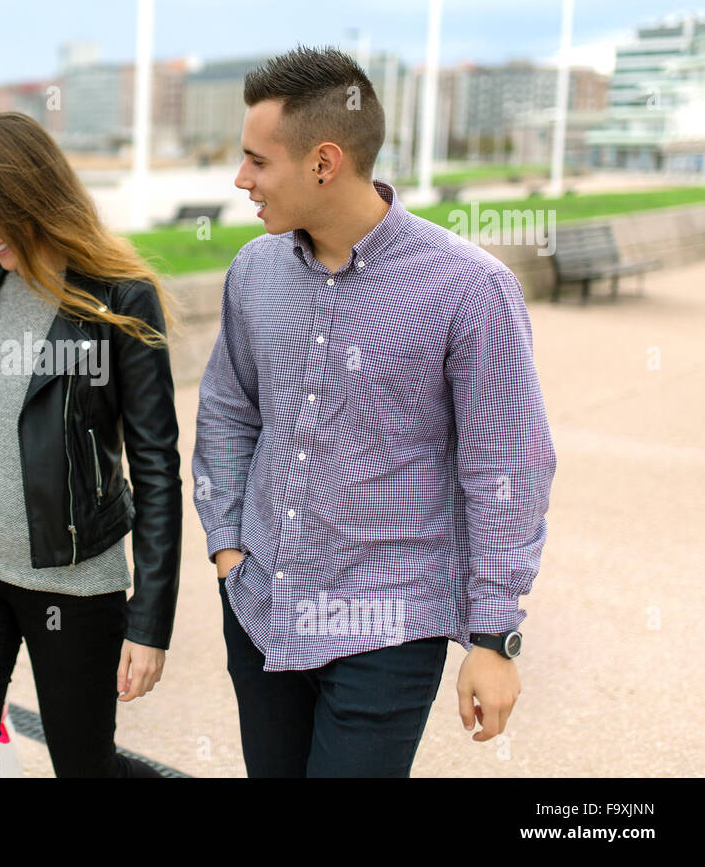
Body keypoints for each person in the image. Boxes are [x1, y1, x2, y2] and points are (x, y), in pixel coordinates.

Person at [193, 46, 557, 777]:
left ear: (324, 162)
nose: (242, 180)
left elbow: (506, 467)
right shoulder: (253, 272)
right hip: (261, 604)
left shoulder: (469, 289)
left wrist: (493, 636)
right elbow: (227, 414)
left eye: (257, 161)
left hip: (388, 626)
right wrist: (229, 547)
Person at [0, 111, 183, 778]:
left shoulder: (120, 296)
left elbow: (156, 466)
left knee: (85, 766)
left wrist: (150, 622)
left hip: (74, 579)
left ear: (33, 193)